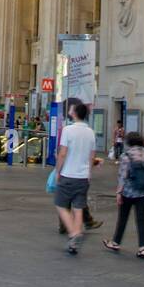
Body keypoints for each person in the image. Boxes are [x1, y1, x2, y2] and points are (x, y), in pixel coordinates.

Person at [54, 101, 98, 256]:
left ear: (75, 114)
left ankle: (73, 233)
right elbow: (92, 156)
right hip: (83, 177)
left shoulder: (68, 130)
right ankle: (75, 240)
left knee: (60, 205)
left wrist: (58, 171)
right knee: (78, 208)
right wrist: (88, 173)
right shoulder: (91, 132)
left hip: (68, 174)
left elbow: (63, 153)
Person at [102, 131, 144, 258]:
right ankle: (142, 248)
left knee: (123, 218)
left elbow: (123, 176)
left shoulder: (126, 156)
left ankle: (116, 242)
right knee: (141, 219)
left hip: (128, 192)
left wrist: (119, 193)